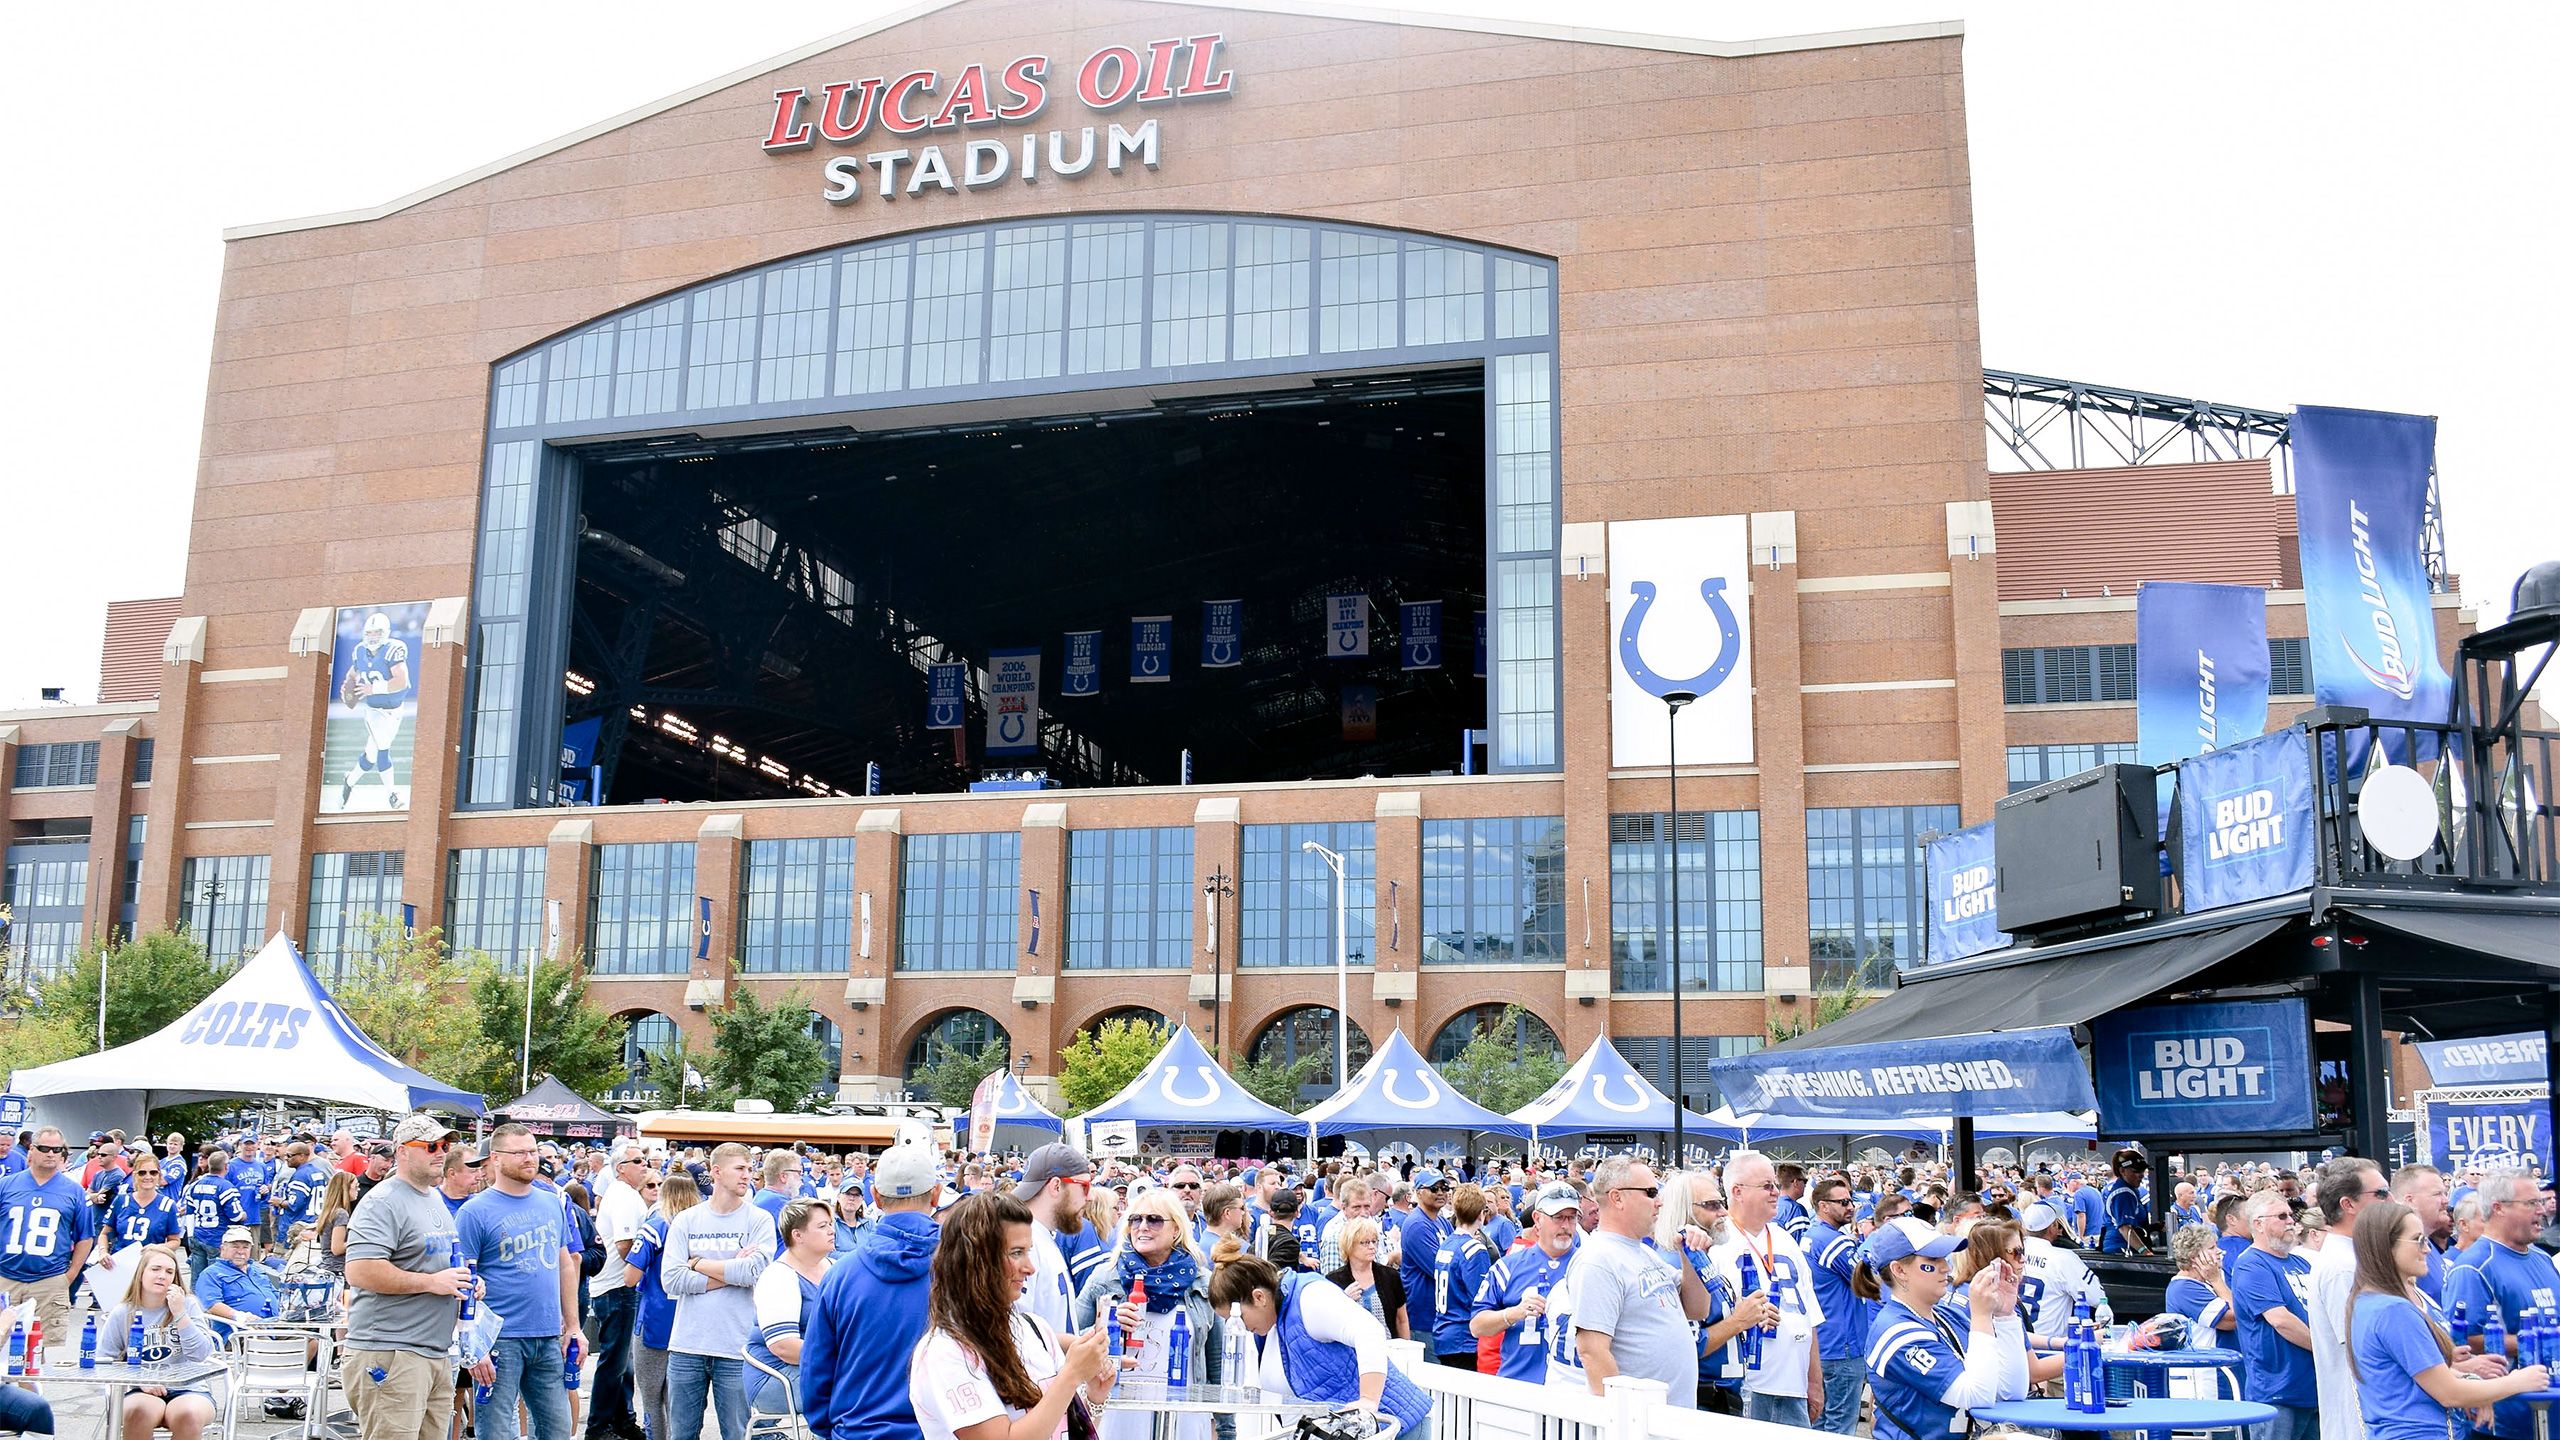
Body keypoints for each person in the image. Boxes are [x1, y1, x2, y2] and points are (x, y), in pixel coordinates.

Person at [910, 1194, 1120, 1440]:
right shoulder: (945, 1352)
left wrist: (1095, 1395)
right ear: (977, 1259)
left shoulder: (1034, 1329)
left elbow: (1064, 1430)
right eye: (1016, 1252)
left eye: (1028, 1252)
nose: (1030, 1267)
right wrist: (1071, 1375)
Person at [2348, 1200, 2548, 1440]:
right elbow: (2449, 1393)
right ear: (2385, 1246)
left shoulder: (2369, 1301)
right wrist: (2520, 1381)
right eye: (2418, 1240)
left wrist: (2476, 1387)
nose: (2427, 1249)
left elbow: (2426, 1379)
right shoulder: (2393, 1310)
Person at [340, 1113, 471, 1440]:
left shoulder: (433, 1197)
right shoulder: (383, 1201)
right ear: (402, 1152)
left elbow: (433, 1263)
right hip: (391, 1351)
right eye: (430, 1146)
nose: (441, 1152)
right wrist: (431, 1282)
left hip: (433, 1352)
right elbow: (359, 1269)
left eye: (445, 1144)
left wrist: (463, 1281)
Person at [798, 1144, 941, 1440]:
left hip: (857, 1430)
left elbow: (816, 1369)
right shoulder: (966, 1271)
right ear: (936, 1193)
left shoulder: (839, 1276)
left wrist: (835, 1426)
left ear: (874, 1196)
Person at [1208, 1255, 1431, 1439]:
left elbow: (1369, 1330)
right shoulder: (1273, 1322)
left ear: (1259, 1298)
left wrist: (1368, 1401)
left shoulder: (1310, 1297)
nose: (1239, 1327)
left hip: (1395, 1428)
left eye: (1238, 1317)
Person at [458, 1123, 583, 1440]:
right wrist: (474, 1347)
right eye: (520, 1153)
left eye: (533, 1151)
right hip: (500, 1339)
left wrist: (573, 1326)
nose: (530, 1159)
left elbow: (565, 1264)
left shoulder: (551, 1202)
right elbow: (462, 1282)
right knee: (497, 1430)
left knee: (557, 1429)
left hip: (547, 1335)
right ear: (496, 1159)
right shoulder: (474, 1211)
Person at [1853, 1217, 2031, 1440]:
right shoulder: (1896, 1332)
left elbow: (2011, 1391)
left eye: (1943, 1258)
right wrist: (1983, 1316)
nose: (1945, 1266)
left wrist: (2005, 1317)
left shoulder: (1946, 1316)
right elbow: (1976, 1395)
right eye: (1933, 1259)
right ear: (1899, 1269)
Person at [1558, 1156, 1710, 1409]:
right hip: (1640, 1423)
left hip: (1670, 1419)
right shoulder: (1598, 1259)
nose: (1659, 1202)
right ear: (1617, 1198)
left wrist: (1690, 1255)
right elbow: (1592, 1351)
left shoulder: (1643, 1252)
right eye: (1650, 1192)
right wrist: (1624, 1422)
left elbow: (1696, 1310)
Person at [1073, 1185, 1215, 1440]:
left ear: (1176, 1229)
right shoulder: (1106, 1278)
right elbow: (1068, 1339)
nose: (1142, 1226)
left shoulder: (1202, 1283)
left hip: (1183, 1418)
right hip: (1118, 1417)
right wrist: (1106, 1330)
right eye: (1135, 1219)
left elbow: (1214, 1362)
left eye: (1155, 1220)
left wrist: (1225, 1429)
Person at [660, 1142, 775, 1440]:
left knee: (737, 1433)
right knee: (682, 1434)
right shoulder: (687, 1219)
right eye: (740, 1168)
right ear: (716, 1172)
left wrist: (697, 1262)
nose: (747, 1175)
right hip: (688, 1344)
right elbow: (671, 1279)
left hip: (735, 1347)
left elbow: (755, 1272)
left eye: (750, 1169)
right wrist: (729, 1271)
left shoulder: (758, 1219)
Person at [1708, 1150, 1824, 1425]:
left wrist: (1814, 1381)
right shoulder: (1718, 1241)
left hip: (1793, 1382)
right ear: (1737, 1191)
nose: (1776, 1192)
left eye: (1774, 1184)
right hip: (1750, 1384)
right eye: (1766, 1186)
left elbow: (1809, 1318)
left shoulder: (1785, 1239)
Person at [2444, 1166, 2560, 1440]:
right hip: (2505, 1421)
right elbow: (2463, 1340)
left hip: (2550, 1414)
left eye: (2541, 1202)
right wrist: (2537, 1342)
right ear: (2498, 1208)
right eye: (2532, 1203)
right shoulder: (2474, 1267)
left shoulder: (2541, 1258)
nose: (2541, 1211)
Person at [2306, 1156, 2390, 1440]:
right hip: (2360, 1422)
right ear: (2348, 1204)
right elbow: (2365, 1348)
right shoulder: (2342, 1267)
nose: (2391, 1200)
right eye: (2380, 1194)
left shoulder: (2353, 1258)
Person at [103, 1244, 222, 1440]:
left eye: (169, 1272)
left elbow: (201, 1354)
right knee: (137, 1414)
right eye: (155, 1269)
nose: (162, 1276)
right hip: (141, 1389)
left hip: (190, 1389)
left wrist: (179, 1313)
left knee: (188, 1416)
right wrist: (138, 1380)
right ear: (141, 1272)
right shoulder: (123, 1312)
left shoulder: (188, 1304)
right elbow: (103, 1362)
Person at [1470, 1180, 1583, 1383]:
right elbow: (1477, 1326)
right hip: (1519, 1384)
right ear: (1537, 1219)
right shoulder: (1509, 1266)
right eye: (1558, 1217)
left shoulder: (1589, 1266)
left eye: (1572, 1218)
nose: (1566, 1225)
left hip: (1571, 1391)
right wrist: (1514, 1313)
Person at [2230, 1188, 2319, 1440]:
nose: (2291, 1221)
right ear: (2258, 1224)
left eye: (2290, 1215)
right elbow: (2280, 1320)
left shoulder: (2302, 1263)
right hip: (2277, 1391)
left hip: (2312, 1388)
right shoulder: (2252, 1264)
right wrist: (2324, 1348)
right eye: (2281, 1216)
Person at [0, 1126, 97, 1339]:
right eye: (45, 1148)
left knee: (38, 1352)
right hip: (6, 1276)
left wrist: (69, 1276)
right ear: (31, 1150)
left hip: (49, 1279)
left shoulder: (74, 1191)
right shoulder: (6, 1185)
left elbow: (85, 1237)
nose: (51, 1153)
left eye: (57, 1149)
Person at [586, 1146, 651, 1440]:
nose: (644, 1165)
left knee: (622, 1362)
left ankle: (623, 1420)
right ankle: (599, 1427)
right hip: (618, 1286)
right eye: (637, 1161)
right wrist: (648, 1269)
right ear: (621, 1167)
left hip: (616, 1285)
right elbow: (626, 1246)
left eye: (645, 1160)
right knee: (614, 1361)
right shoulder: (624, 1195)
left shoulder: (624, 1193)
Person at [746, 1198, 833, 1414]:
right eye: (823, 1226)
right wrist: (845, 1357)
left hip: (819, 1368)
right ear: (798, 1235)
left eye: (831, 1224)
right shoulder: (779, 1276)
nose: (832, 1230)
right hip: (776, 1376)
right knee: (862, 1390)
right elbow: (784, 1347)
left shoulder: (834, 1268)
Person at [627, 1170, 694, 1440]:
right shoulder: (702, 1227)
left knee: (652, 1398)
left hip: (656, 1318)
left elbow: (630, 1276)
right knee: (684, 1401)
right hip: (693, 1321)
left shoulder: (656, 1225)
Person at [1800, 1173, 1868, 1434]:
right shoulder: (1834, 1241)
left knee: (1819, 1425)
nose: (1850, 1207)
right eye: (1842, 1202)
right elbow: (1868, 1283)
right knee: (1840, 1428)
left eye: (1851, 1201)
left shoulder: (1810, 1236)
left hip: (1823, 1341)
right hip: (1842, 1346)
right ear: (1823, 1206)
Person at [1013, 1143, 1091, 1337]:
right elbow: (1015, 1333)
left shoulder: (1041, 1236)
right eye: (1085, 1187)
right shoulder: (1024, 1244)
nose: (1089, 1197)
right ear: (1056, 1186)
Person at [338, 608, 413, 810]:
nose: (372, 637)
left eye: (377, 633)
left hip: (395, 709)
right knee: (383, 749)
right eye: (369, 633)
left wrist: (374, 688)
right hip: (374, 710)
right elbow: (353, 672)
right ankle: (393, 795)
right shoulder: (359, 651)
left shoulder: (393, 649)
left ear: (386, 633)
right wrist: (348, 684)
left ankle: (349, 781)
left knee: (370, 758)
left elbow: (402, 682)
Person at [2016, 1201, 2110, 1338]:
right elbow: (2097, 1298)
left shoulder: (2012, 1252)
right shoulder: (2063, 1259)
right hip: (2050, 1347)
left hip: (2016, 1341)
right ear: (2052, 1226)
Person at [1429, 1184, 1494, 1370]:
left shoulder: (1447, 1244)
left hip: (1444, 1331)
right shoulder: (1474, 1250)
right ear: (1481, 1213)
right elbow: (1481, 1299)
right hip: (1464, 1337)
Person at [194, 1225, 283, 1342]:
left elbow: (278, 1296)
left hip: (273, 1327)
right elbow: (211, 1305)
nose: (240, 1252)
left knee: (310, 1340)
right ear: (222, 1249)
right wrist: (240, 1316)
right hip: (237, 1333)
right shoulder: (211, 1274)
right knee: (262, 1341)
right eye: (235, 1247)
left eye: (245, 1247)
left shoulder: (258, 1271)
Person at [1397, 1168, 1454, 1346]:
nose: (1440, 1192)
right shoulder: (1417, 1225)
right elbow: (1441, 1268)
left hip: (1440, 1316)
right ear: (1419, 1193)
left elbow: (1457, 1255)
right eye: (1434, 1188)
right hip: (1423, 1320)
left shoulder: (1442, 1221)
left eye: (1444, 1187)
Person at [1325, 1216, 1406, 1339]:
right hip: (1351, 1352)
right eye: (1365, 1242)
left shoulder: (1390, 1276)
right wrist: (1344, 1300)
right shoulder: (1334, 1280)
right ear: (1349, 1245)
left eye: (1374, 1241)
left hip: (1388, 1349)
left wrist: (1405, 1349)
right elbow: (1328, 1323)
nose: (1372, 1246)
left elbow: (1402, 1320)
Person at [178, 1146, 249, 1282]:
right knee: (214, 1279)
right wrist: (243, 1215)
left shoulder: (195, 1185)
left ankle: (195, 1301)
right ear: (226, 1167)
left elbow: (190, 1213)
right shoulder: (226, 1187)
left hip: (198, 1234)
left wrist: (191, 1235)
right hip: (217, 1237)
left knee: (197, 1279)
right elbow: (235, 1215)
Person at [2385, 1165, 2450, 1302]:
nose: (2446, 1201)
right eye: (2437, 1194)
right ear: (2410, 1201)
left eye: (2445, 1193)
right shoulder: (2399, 1252)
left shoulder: (2427, 1244)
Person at [2164, 1222, 2238, 1336]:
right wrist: (2216, 1281)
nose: (2219, 1251)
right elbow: (2234, 1319)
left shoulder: (2204, 1281)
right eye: (2212, 1248)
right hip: (2214, 1353)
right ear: (2193, 1256)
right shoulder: (2184, 1289)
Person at [106, 1158, 184, 1248]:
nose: (148, 1177)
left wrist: (157, 1248)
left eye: (153, 1173)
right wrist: (103, 1251)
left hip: (152, 1259)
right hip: (121, 1258)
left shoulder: (168, 1205)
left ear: (159, 1175)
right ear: (135, 1175)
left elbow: (175, 1240)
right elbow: (105, 1233)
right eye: (142, 1173)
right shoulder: (121, 1200)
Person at [312, 1169, 361, 1283]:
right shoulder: (341, 1214)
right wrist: (360, 1240)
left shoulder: (330, 1212)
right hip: (337, 1271)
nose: (358, 1190)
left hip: (328, 1268)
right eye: (355, 1186)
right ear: (345, 1189)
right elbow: (337, 1248)